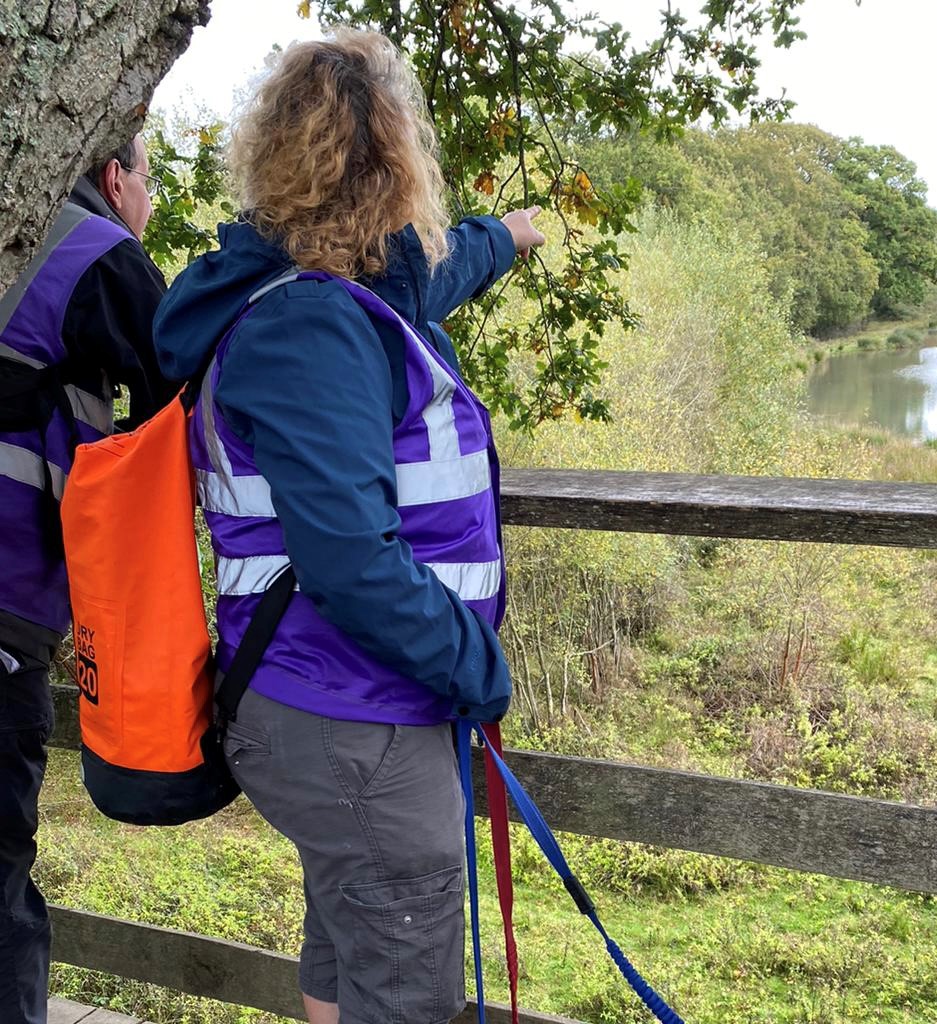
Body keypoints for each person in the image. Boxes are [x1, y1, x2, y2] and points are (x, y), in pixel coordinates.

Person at [154, 29, 544, 1024]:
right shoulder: (311, 326)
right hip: (350, 706)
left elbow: (432, 278)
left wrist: (515, 233)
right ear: (389, 166)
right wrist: (473, 664)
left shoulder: (331, 299)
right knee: (402, 986)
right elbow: (346, 558)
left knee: (349, 944)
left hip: (335, 702)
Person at [0, 135, 176, 1024]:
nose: (146, 205)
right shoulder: (92, 247)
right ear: (117, 178)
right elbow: (186, 366)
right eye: (149, 184)